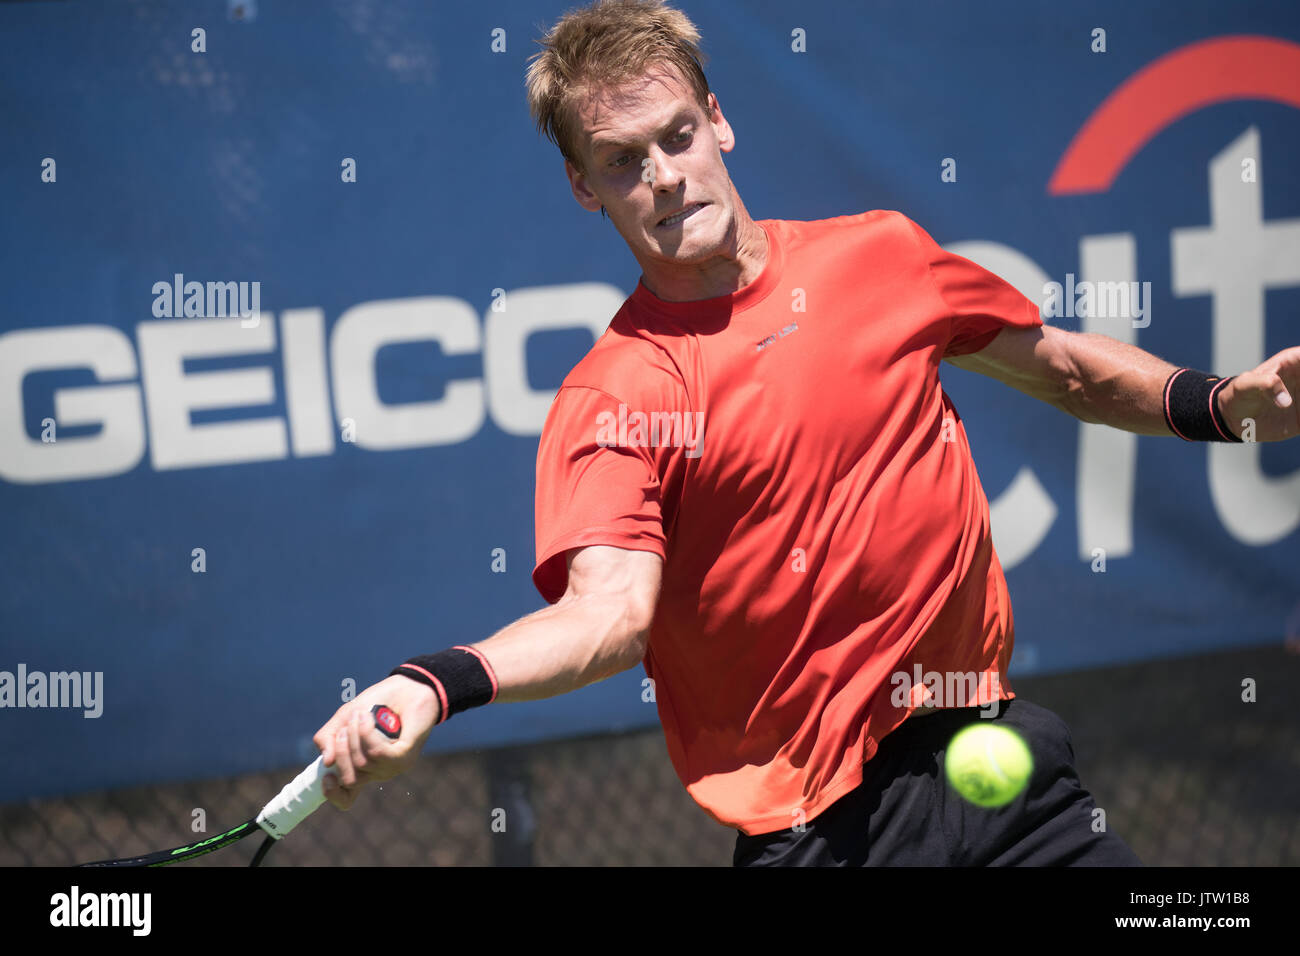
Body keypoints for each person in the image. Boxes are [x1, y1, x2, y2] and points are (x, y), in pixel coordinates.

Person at [311, 0, 1300, 866]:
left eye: (676, 135)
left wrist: (1224, 405)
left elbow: (1068, 369)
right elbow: (606, 615)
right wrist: (437, 682)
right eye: (620, 161)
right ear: (583, 185)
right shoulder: (612, 396)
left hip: (999, 766)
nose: (660, 175)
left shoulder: (882, 257)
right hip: (823, 835)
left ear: (719, 123)